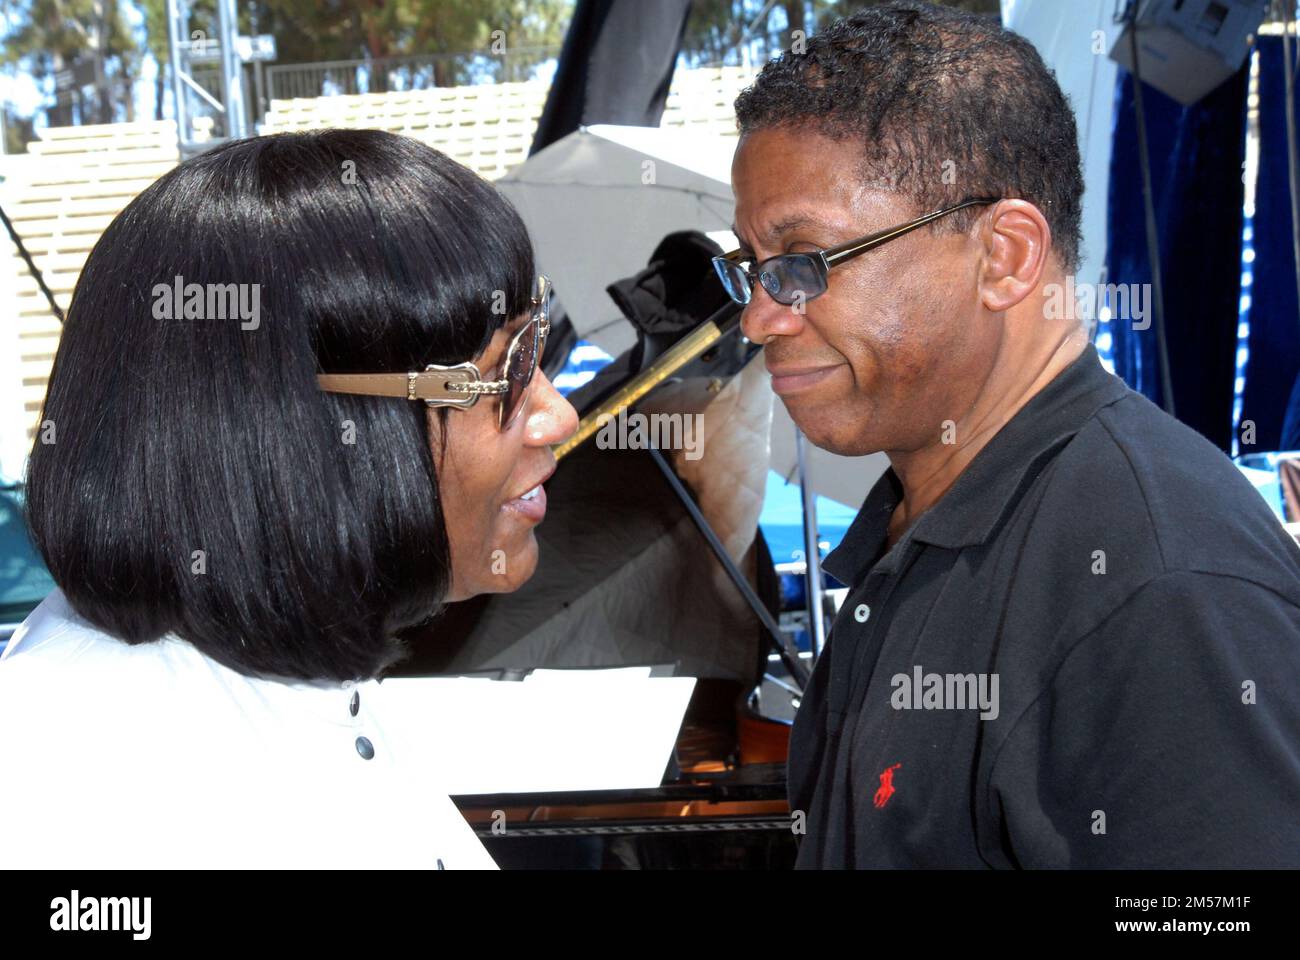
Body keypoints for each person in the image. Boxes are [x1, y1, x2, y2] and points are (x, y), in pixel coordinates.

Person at [715, 1, 1300, 867]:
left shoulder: (1160, 585)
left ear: (1006, 257)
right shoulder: (942, 512)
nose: (760, 318)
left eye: (805, 263)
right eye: (752, 267)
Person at [0, 129, 577, 868]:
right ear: (293, 428)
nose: (558, 416)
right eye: (508, 367)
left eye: (539, 343)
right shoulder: (74, 789)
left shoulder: (290, 686)